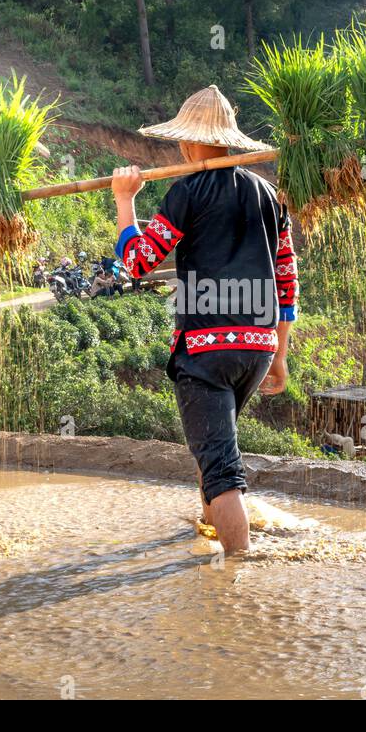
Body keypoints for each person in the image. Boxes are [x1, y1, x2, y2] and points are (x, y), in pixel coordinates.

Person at [112, 85, 298, 554]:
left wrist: (124, 200)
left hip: (206, 351)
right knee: (211, 447)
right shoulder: (269, 196)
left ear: (187, 144)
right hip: (255, 349)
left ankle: (237, 573)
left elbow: (136, 263)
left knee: (221, 469)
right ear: (228, 142)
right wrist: (279, 355)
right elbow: (286, 281)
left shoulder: (186, 192)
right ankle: (208, 531)